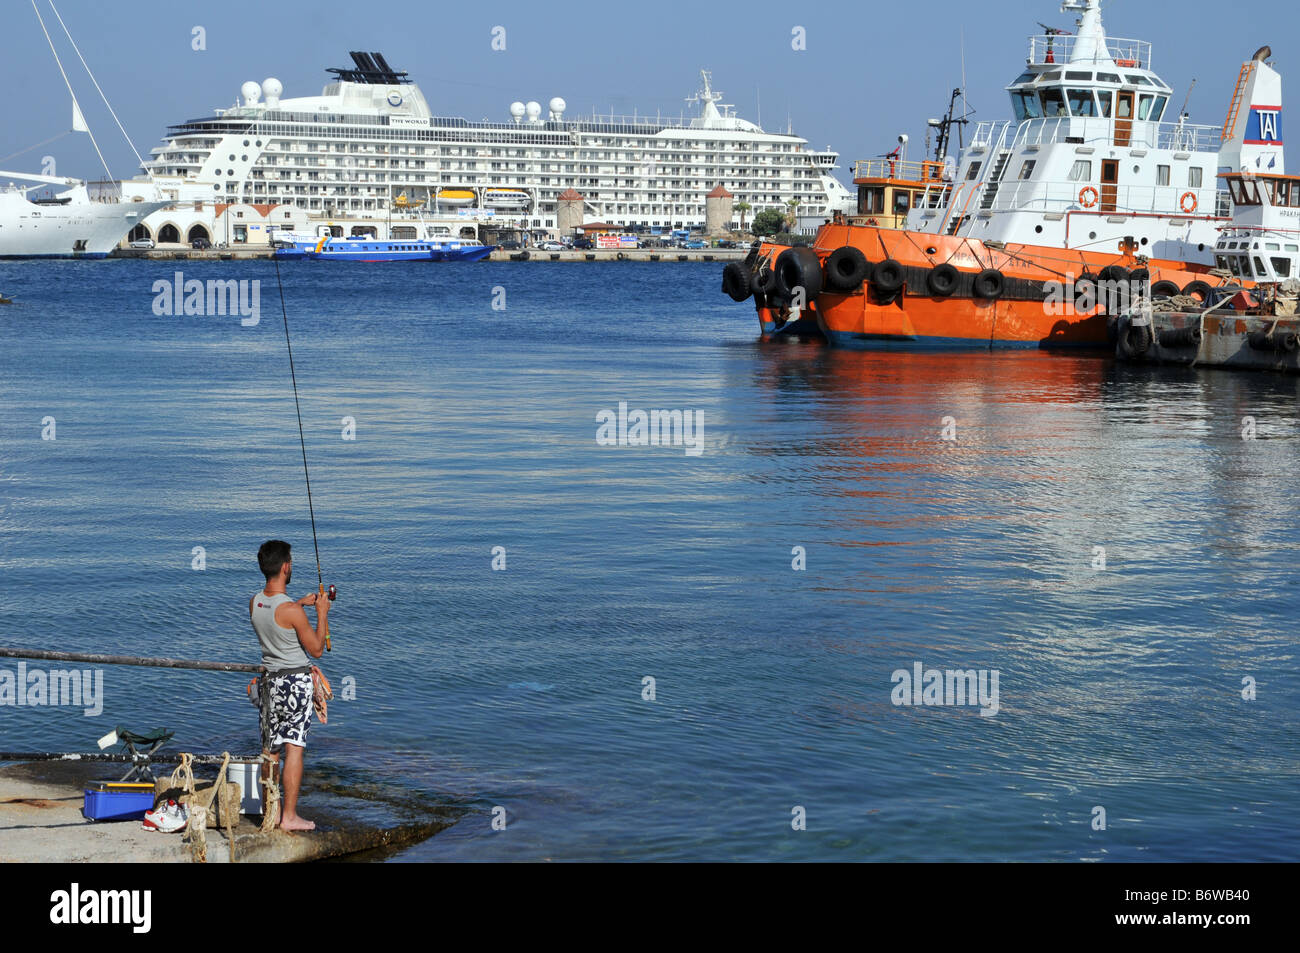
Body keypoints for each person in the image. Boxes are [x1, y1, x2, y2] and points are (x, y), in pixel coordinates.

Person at [249, 539, 329, 831]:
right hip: (295, 682)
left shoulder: (255, 602)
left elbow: (277, 614)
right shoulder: (293, 612)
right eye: (291, 561)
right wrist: (321, 612)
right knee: (294, 748)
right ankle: (290, 818)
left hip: (269, 682)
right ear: (286, 567)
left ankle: (271, 812)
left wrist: (299, 604)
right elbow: (317, 648)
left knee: (270, 749)